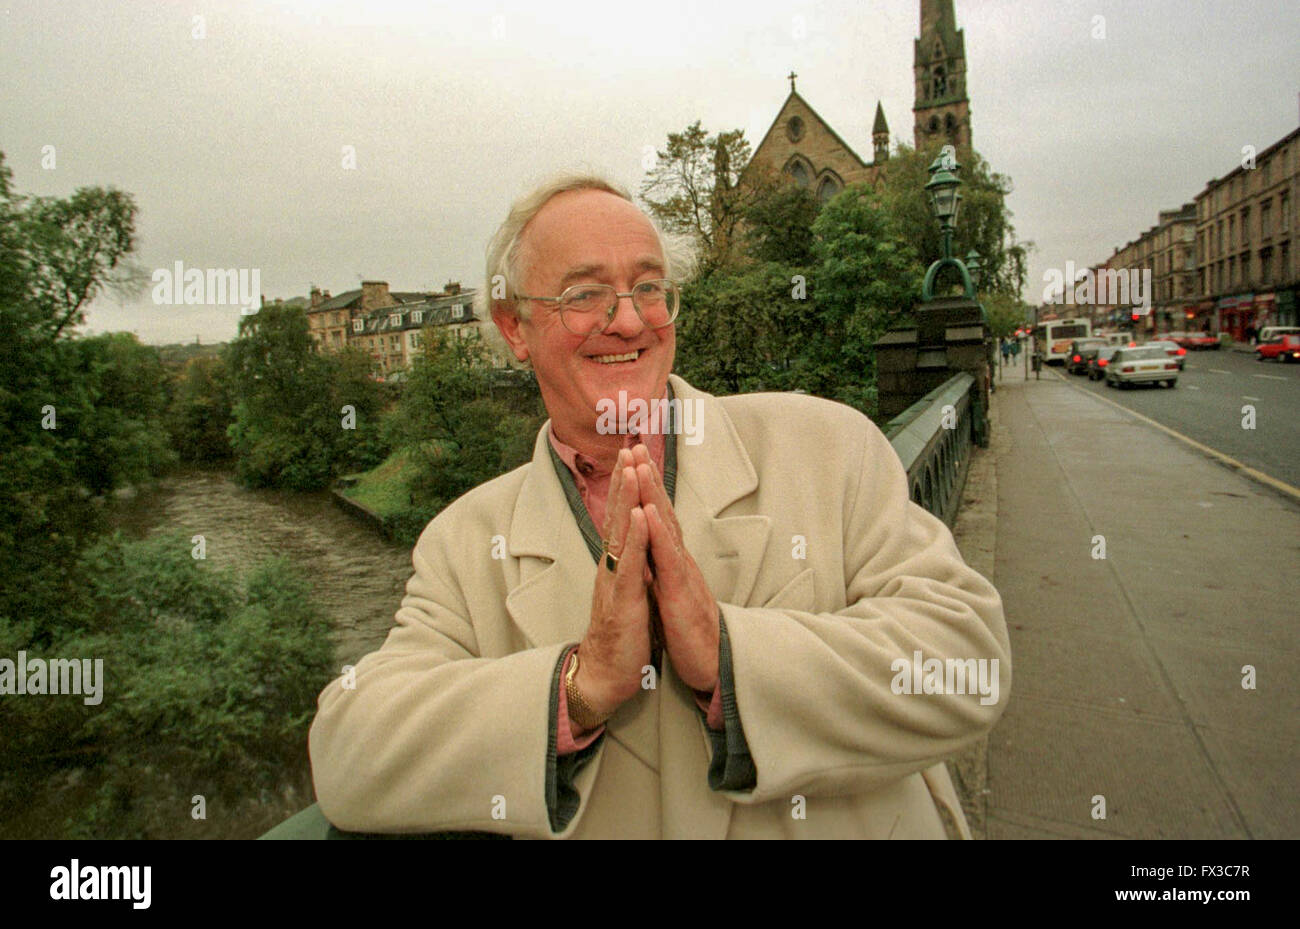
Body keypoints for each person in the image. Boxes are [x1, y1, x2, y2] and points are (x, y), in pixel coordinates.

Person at [307, 174, 1010, 839]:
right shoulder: (464, 542)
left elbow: (969, 659)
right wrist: (579, 688)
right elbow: (350, 752)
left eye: (649, 286)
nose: (629, 319)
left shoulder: (827, 444)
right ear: (515, 328)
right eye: (584, 295)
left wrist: (726, 657)